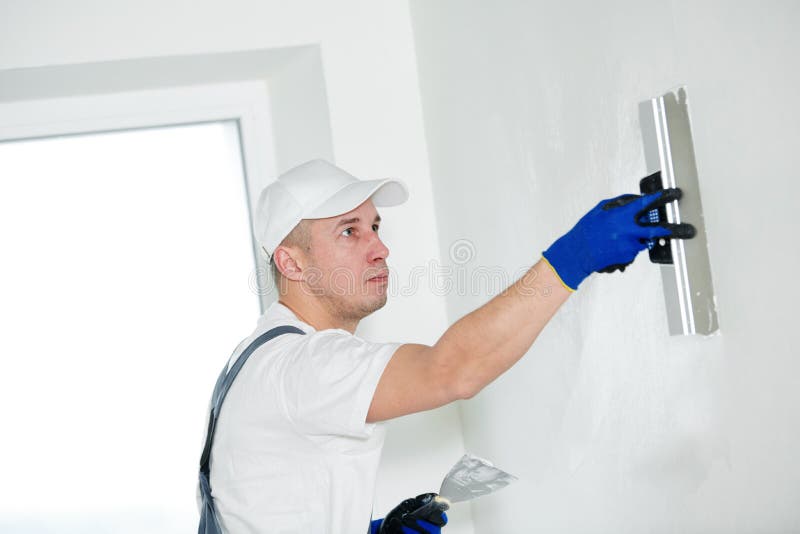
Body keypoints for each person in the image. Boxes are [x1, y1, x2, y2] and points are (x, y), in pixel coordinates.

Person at [199, 158, 694, 534]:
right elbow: (452, 370)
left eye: (374, 227)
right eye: (348, 232)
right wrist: (577, 254)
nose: (379, 247)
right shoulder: (302, 366)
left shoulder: (257, 359)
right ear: (292, 263)